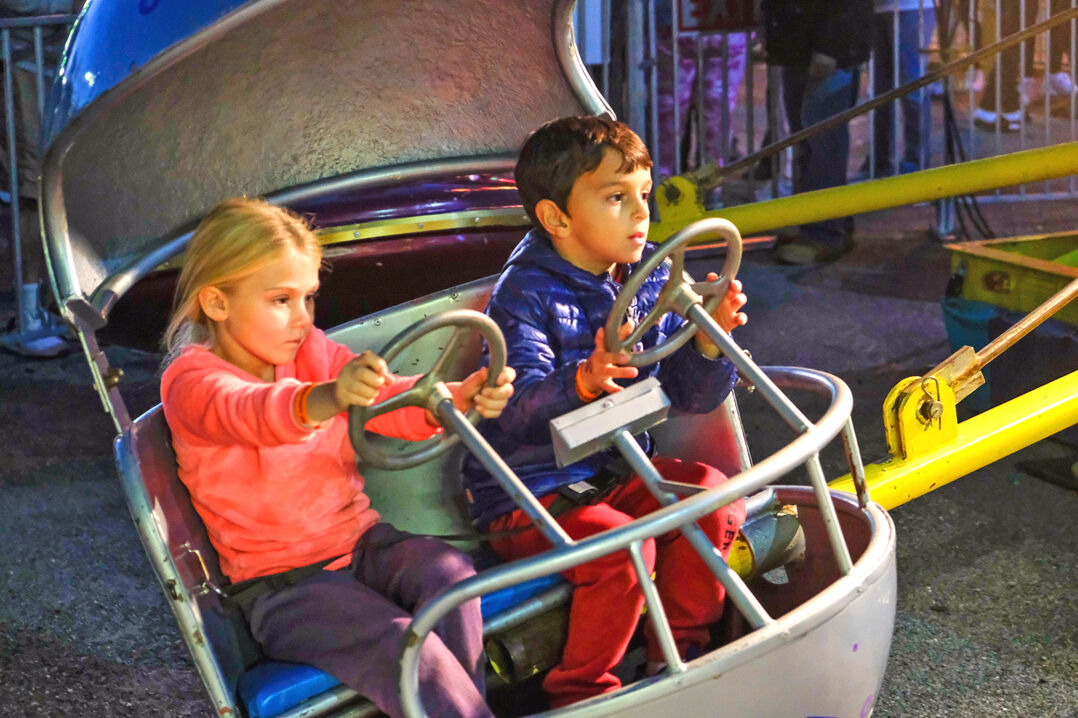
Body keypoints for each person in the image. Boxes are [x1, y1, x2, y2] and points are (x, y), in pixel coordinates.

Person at [159, 197, 515, 718]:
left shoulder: (313, 350)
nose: (301, 318)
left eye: (308, 298)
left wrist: (455, 399)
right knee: (406, 650)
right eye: (281, 300)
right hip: (286, 589)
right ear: (216, 302)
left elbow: (386, 399)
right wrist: (328, 397)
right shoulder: (191, 380)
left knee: (451, 577)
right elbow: (252, 412)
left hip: (363, 545)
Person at [461, 116, 748, 708]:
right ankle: (583, 693)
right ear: (557, 219)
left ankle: (681, 655)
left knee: (712, 497)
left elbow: (693, 398)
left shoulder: (647, 277)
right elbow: (514, 412)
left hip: (615, 474)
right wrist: (581, 383)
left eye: (644, 193)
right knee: (622, 549)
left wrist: (708, 343)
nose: (642, 212)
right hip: (530, 495)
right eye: (617, 198)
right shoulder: (523, 295)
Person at [762, 0, 874, 265]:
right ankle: (819, 225)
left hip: (822, 49)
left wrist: (829, 48)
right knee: (809, 144)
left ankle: (824, 232)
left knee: (823, 146)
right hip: (802, 46)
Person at [655, 0, 749, 178]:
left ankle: (703, 184)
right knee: (671, 116)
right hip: (683, 26)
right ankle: (666, 184)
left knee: (710, 116)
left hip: (719, 26)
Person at [862, 1, 936, 177]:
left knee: (912, 87)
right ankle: (880, 161)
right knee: (881, 90)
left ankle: (915, 163)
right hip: (880, 10)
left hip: (910, 8)